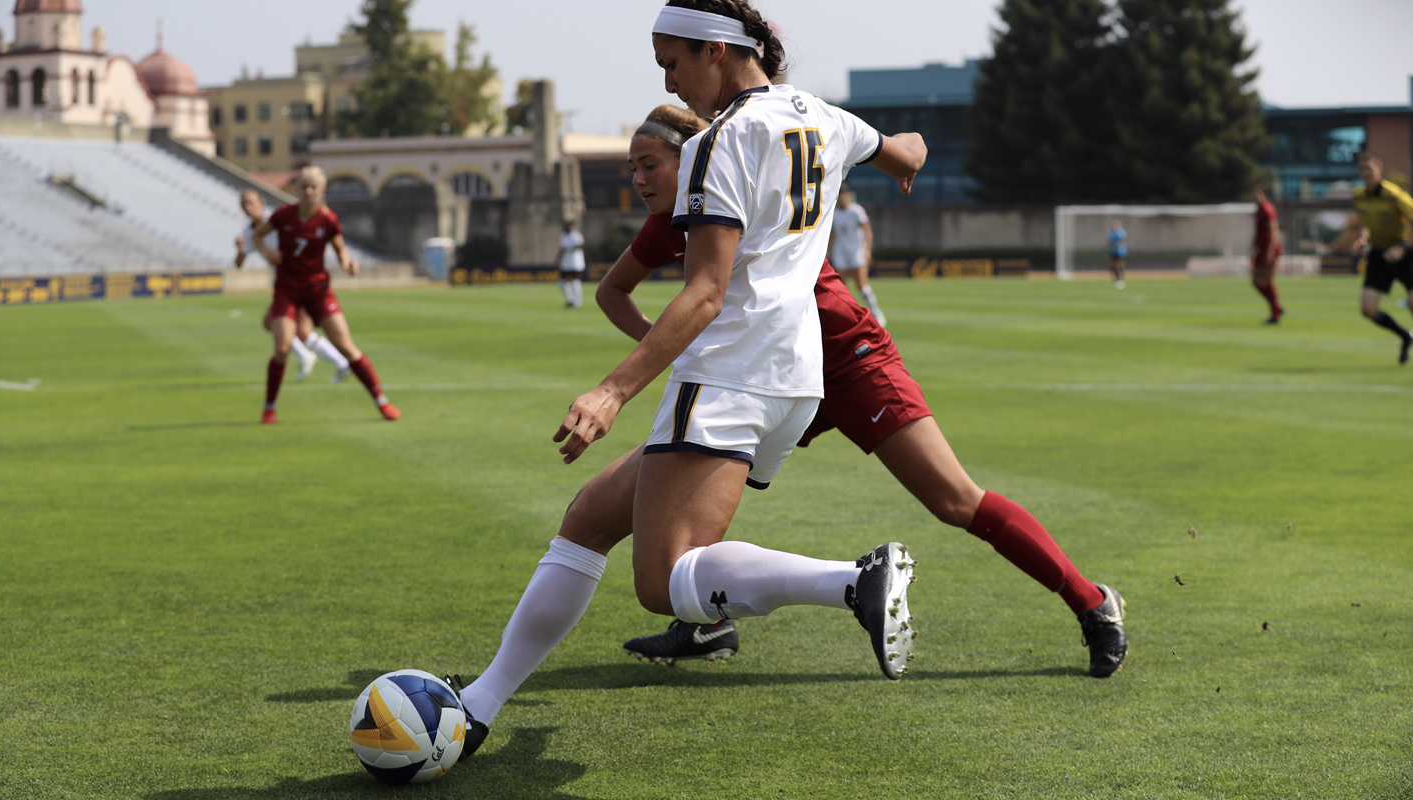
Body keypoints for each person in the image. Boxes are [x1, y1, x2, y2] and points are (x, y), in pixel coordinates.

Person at [444, 0, 1101, 763]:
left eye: (674, 62)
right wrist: (908, 152)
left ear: (718, 51)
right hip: (793, 377)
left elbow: (705, 292)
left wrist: (612, 390)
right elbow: (904, 154)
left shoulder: (718, 142)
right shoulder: (822, 118)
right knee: (589, 518)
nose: (671, 80)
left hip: (729, 370)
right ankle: (479, 705)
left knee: (662, 581)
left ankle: (853, 582)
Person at [604, 105, 1125, 675]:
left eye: (650, 165)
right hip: (762, 373)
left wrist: (907, 155)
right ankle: (705, 625)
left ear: (698, 157)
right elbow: (613, 291)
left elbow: (896, 146)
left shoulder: (750, 182)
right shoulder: (666, 227)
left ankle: (1094, 603)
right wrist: (672, 342)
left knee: (953, 499)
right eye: (632, 167)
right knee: (686, 492)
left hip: (848, 359)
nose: (637, 180)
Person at [251, 167, 400, 424]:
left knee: (347, 347)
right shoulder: (284, 215)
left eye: (314, 187)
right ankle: (270, 406)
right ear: (297, 190)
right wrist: (267, 253)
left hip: (318, 291)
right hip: (287, 290)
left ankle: (381, 401)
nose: (309, 192)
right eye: (304, 187)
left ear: (322, 191)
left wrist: (346, 262)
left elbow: (339, 247)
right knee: (283, 348)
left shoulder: (328, 219)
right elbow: (258, 235)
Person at [235, 189, 352, 382]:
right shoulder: (249, 232)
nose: (249, 208)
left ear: (261, 203)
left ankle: (337, 362)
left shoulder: (277, 221)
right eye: (244, 204)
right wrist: (240, 251)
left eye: (252, 202)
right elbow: (239, 264)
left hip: (299, 283)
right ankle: (333, 362)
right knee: (284, 327)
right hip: (284, 286)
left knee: (295, 329)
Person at [1333, 153, 1413, 364]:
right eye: (1362, 169)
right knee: (1367, 309)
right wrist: (1362, 239)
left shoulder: (1395, 195)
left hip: (1405, 254)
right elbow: (1366, 223)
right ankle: (1405, 336)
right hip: (1379, 254)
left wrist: (1403, 247)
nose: (1366, 173)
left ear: (1380, 168)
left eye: (1369, 168)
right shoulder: (1359, 196)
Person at [829, 184, 886, 326]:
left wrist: (867, 250)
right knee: (841, 288)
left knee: (862, 286)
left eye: (845, 194)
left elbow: (867, 230)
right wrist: (829, 253)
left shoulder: (856, 211)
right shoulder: (834, 214)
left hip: (856, 252)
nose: (843, 197)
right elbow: (833, 235)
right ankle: (847, 317)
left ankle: (876, 312)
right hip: (841, 253)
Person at [1250, 185, 1284, 324]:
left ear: (1264, 195)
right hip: (1261, 249)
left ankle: (1275, 314)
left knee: (1267, 281)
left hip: (1269, 249)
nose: (1256, 197)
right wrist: (1252, 248)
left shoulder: (1268, 209)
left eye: (1258, 194)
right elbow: (1257, 232)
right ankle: (1277, 307)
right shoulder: (1258, 211)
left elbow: (1274, 231)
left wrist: (1270, 251)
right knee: (1256, 281)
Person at [558, 220, 586, 308]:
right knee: (562, 282)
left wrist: (570, 248)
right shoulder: (563, 236)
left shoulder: (576, 236)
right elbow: (561, 249)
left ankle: (577, 302)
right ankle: (570, 300)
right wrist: (557, 260)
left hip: (575, 262)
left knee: (575, 281)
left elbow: (581, 245)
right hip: (565, 262)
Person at [1107, 219, 1127, 289]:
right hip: (1113, 250)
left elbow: (1121, 241)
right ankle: (1116, 278)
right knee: (1112, 265)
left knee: (1119, 264)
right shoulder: (1111, 232)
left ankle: (1120, 278)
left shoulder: (1120, 232)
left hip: (1119, 251)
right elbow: (1110, 241)